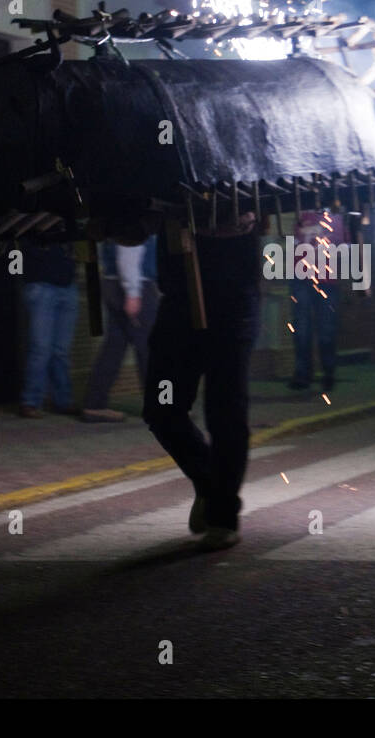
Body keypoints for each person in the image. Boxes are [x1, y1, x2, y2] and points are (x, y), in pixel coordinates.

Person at [142, 211, 261, 551]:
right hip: (179, 304)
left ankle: (223, 515)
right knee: (162, 408)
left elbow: (254, 214)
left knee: (225, 408)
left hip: (234, 301)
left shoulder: (243, 166)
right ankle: (211, 484)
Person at [82, 236, 159, 422]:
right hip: (134, 286)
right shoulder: (133, 215)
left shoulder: (111, 218)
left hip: (113, 283)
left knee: (114, 349)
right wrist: (133, 293)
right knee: (149, 349)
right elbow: (128, 253)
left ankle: (94, 404)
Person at [287, 207, 346, 393]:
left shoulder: (336, 217)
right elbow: (294, 246)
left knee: (326, 330)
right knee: (302, 330)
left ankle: (327, 373)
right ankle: (304, 374)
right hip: (302, 279)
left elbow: (344, 248)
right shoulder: (302, 215)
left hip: (326, 280)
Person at [18, 241, 78, 418]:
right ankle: (31, 401)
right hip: (41, 286)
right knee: (41, 348)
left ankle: (63, 400)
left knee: (61, 350)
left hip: (67, 286)